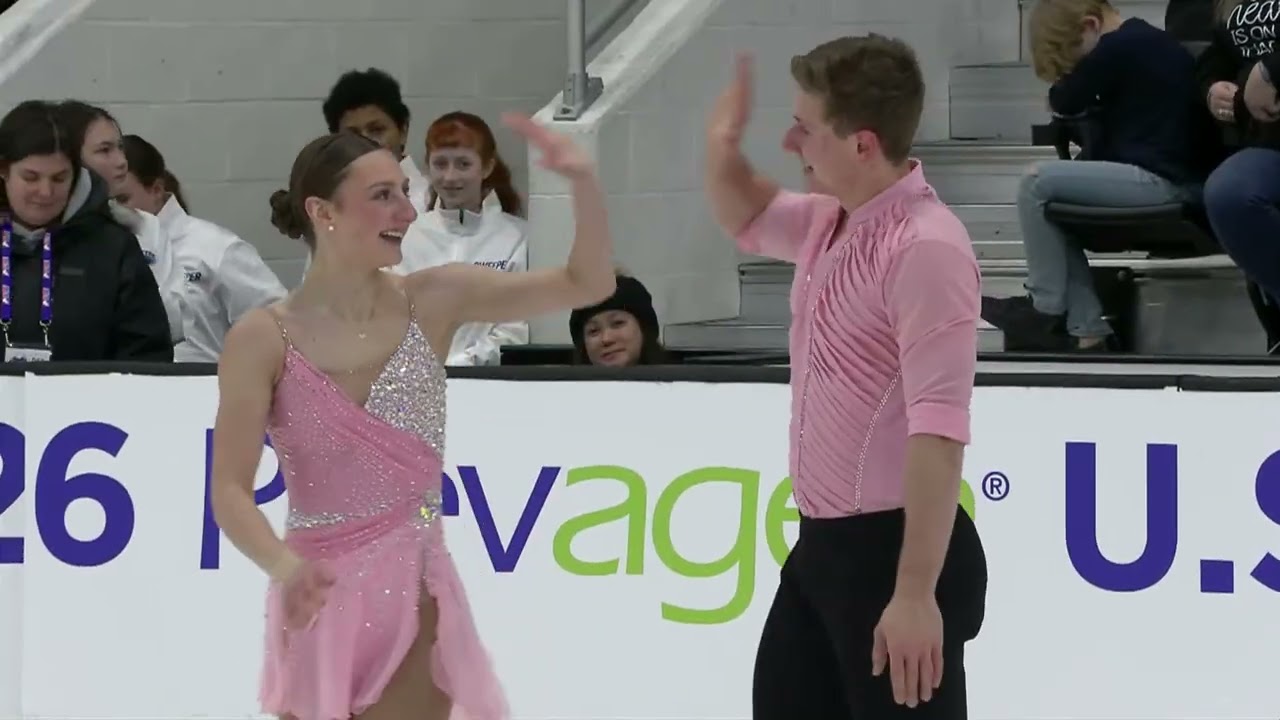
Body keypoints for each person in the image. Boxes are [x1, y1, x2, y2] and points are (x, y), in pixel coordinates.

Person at [208, 116, 615, 719]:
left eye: (403, 191)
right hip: (312, 593)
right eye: (382, 196)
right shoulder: (261, 338)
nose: (405, 208)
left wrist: (583, 182)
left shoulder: (436, 297)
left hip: (414, 589)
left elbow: (589, 281)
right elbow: (230, 491)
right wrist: (285, 568)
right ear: (323, 211)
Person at [705, 38, 987, 718]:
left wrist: (915, 593)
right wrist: (720, 141)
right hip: (820, 549)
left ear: (862, 144)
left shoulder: (925, 248)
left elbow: (939, 431)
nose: (789, 139)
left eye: (805, 126)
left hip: (894, 555)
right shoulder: (830, 221)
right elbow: (742, 214)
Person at [981, 0, 1199, 352]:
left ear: (1090, 25)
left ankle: (1044, 308)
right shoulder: (1143, 45)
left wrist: (1068, 84)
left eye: (1077, 60)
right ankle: (1087, 330)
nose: (1080, 70)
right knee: (1051, 210)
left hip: (1161, 180)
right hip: (1160, 176)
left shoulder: (1120, 45)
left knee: (1035, 183)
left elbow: (1064, 99)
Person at [0, 100, 171, 361]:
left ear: (77, 175)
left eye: (59, 178)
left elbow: (147, 354)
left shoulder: (112, 248)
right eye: (31, 178)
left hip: (90, 401)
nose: (45, 192)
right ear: (4, 171)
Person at [119, 134, 287, 362]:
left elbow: (280, 324)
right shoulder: (99, 255)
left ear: (156, 190)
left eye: (122, 199)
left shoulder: (214, 247)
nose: (112, 210)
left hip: (207, 388)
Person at [393, 111, 528, 366]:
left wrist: (461, 365)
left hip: (488, 385)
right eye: (440, 164)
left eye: (463, 164)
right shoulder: (406, 236)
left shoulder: (518, 238)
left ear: (487, 167)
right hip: (414, 384)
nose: (450, 177)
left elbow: (516, 330)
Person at [56, 100, 186, 345]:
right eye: (105, 150)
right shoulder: (33, 230)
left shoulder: (145, 226)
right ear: (69, 158)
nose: (121, 162)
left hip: (125, 373)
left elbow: (176, 323)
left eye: (120, 148)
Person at [1197, 0, 1280, 335]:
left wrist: (1272, 69)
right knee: (1230, 192)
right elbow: (1214, 56)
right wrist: (1211, 89)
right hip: (1270, 144)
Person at [323, 68, 429, 213]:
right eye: (353, 134)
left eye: (377, 130)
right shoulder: (329, 203)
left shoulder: (434, 200)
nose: (365, 141)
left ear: (403, 130)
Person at [569, 272, 667, 366]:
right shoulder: (565, 383)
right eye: (593, 331)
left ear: (643, 328)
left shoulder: (677, 381)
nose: (606, 339)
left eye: (618, 323)